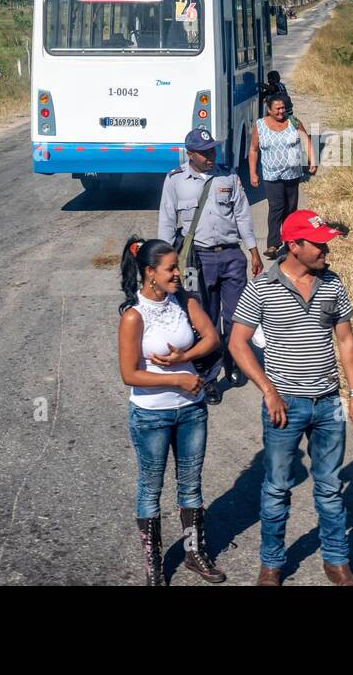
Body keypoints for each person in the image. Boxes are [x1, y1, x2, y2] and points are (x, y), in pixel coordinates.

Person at [228, 210, 353, 587]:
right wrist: (268, 391)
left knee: (329, 484)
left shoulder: (333, 284)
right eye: (318, 243)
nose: (325, 249)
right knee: (276, 486)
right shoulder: (262, 287)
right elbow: (237, 343)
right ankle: (271, 564)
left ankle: (337, 561)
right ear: (293, 245)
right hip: (285, 404)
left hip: (329, 402)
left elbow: (346, 340)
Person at [117, 236, 226, 586]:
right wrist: (178, 379)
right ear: (150, 273)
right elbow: (128, 373)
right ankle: (155, 568)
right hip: (151, 415)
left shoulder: (184, 301)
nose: (178, 273)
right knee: (150, 489)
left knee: (191, 487)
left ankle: (194, 554)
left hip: (191, 412)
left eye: (176, 267)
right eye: (170, 269)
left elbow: (212, 338)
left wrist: (184, 358)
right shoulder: (133, 316)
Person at [157, 127, 262, 403]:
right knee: (207, 319)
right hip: (199, 260)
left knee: (236, 316)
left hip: (231, 256)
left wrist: (253, 250)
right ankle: (210, 378)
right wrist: (165, 264)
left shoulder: (227, 175)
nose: (209, 156)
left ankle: (234, 361)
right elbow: (167, 222)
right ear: (189, 154)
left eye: (212, 150)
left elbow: (242, 214)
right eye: (203, 153)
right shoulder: (176, 180)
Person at [248, 93, 316, 257]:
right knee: (276, 208)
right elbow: (253, 149)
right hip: (271, 175)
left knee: (290, 210)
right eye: (277, 108)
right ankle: (273, 244)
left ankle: (290, 241)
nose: (281, 111)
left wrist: (312, 160)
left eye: (283, 108)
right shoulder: (260, 125)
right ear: (269, 110)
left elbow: (306, 140)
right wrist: (252, 173)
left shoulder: (293, 122)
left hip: (292, 174)